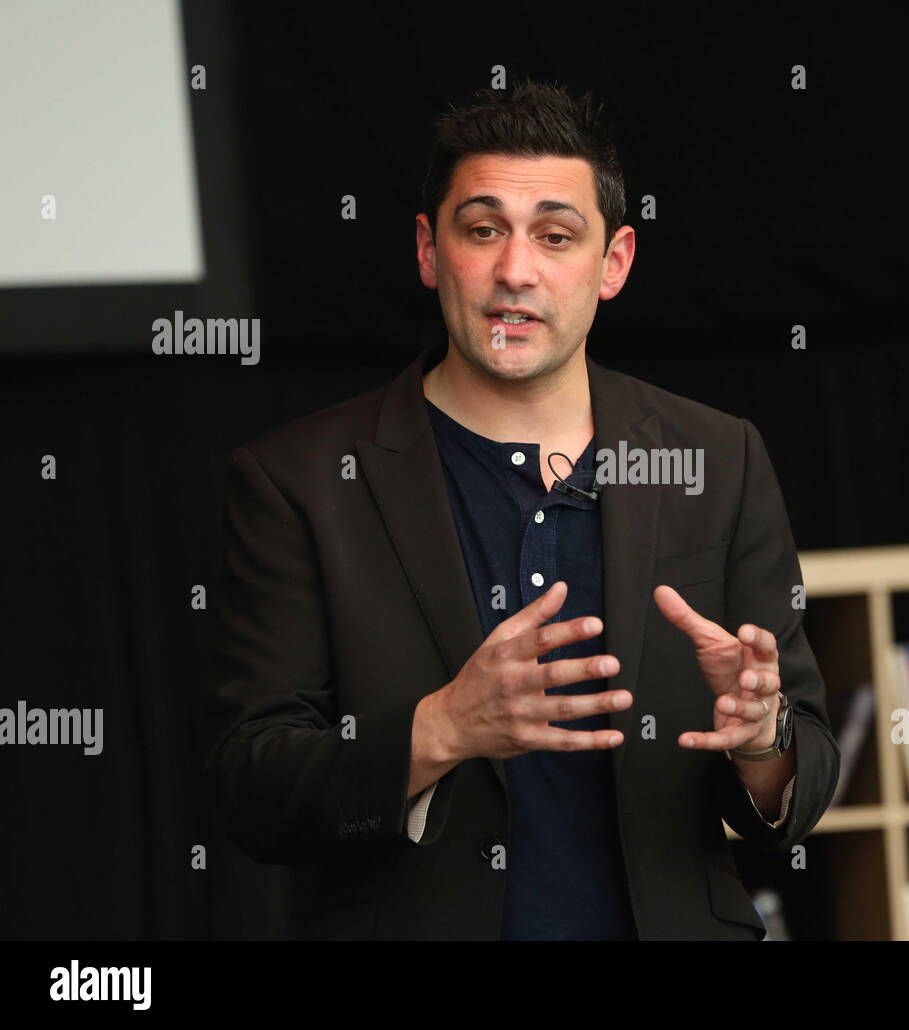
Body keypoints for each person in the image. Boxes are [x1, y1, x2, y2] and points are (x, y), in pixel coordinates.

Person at [205, 79, 839, 940]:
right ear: (430, 251)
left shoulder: (718, 459)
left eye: (555, 234)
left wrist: (762, 739)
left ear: (612, 264)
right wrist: (442, 728)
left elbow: (795, 793)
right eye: (483, 229)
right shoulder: (301, 482)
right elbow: (253, 792)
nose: (515, 269)